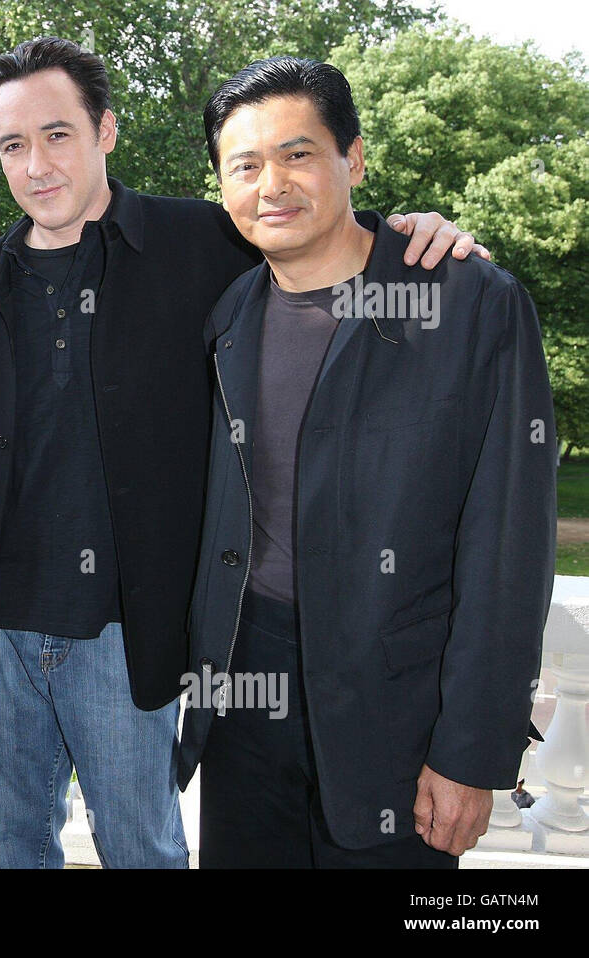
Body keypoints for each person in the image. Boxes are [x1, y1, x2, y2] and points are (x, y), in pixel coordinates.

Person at [0, 36, 484, 869]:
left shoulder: (204, 239)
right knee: (13, 850)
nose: (36, 164)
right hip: (2, 630)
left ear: (106, 132)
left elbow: (318, 237)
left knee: (144, 853)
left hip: (127, 638)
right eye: (12, 144)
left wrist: (416, 232)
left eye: (58, 134)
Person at [179, 55, 556, 868]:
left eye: (298, 153)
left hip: (400, 707)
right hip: (246, 696)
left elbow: (509, 550)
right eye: (243, 165)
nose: (270, 183)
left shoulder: (468, 304)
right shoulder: (230, 314)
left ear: (352, 158)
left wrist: (473, 751)